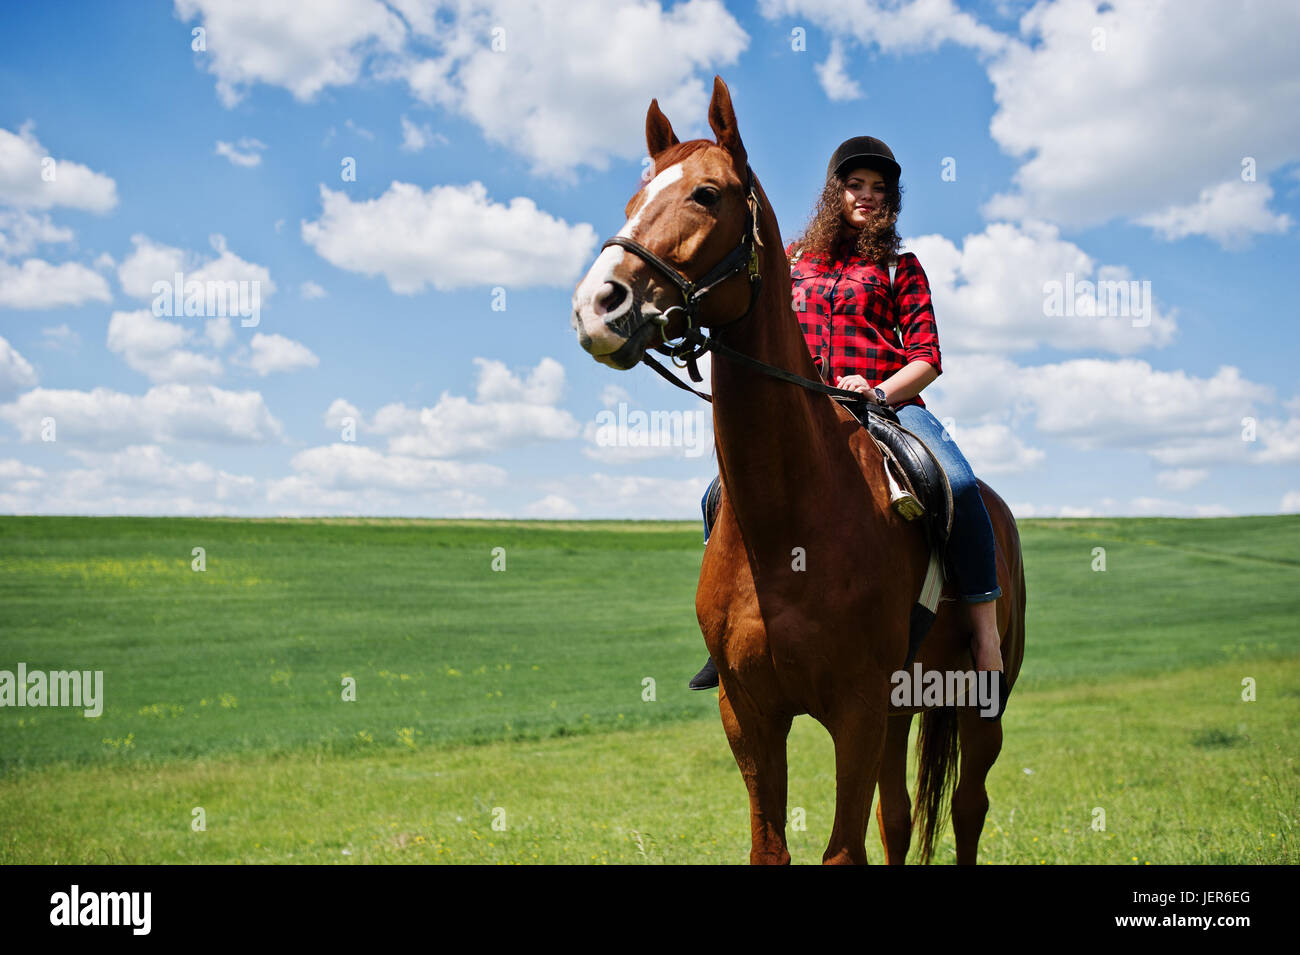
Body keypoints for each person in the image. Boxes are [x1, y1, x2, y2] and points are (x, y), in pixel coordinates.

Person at [688, 136, 1008, 720]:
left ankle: (984, 630)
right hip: (807, 412)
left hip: (888, 405)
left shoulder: (900, 267)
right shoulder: (792, 262)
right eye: (855, 185)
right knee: (716, 495)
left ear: (891, 202)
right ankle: (725, 635)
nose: (867, 197)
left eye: (879, 189)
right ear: (834, 193)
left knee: (957, 484)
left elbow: (928, 358)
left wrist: (880, 390)